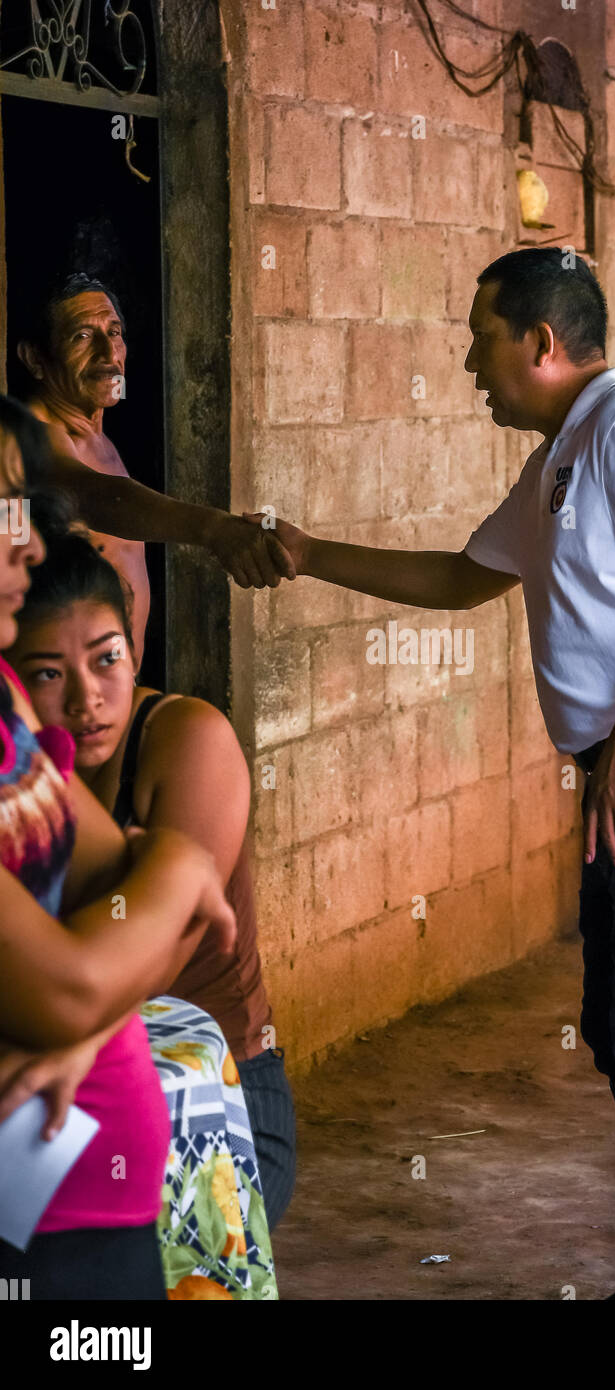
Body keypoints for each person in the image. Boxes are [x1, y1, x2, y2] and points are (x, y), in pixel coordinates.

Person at [256, 248, 615, 1300]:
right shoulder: (563, 459)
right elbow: (460, 576)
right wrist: (309, 554)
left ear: (542, 343)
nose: (466, 361)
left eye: (481, 336)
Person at [0, 394, 237, 1299]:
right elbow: (73, 983)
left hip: (97, 1209)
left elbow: (109, 874)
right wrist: (175, 866)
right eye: (4, 510)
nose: (28, 545)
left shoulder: (9, 711)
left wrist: (96, 995)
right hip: (31, 1217)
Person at [9, 531, 296, 1230]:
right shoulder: (26, 768)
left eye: (107, 659)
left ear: (135, 642)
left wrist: (79, 1034)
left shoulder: (186, 736)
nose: (87, 698)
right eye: (47, 673)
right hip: (73, 1069)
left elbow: (160, 945)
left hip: (218, 1094)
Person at [16, 272, 293, 666]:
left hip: (110, 696)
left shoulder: (98, 438)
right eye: (81, 336)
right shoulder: (29, 434)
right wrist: (215, 529)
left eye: (114, 332)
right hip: (61, 704)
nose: (108, 354)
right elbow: (90, 495)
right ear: (35, 359)